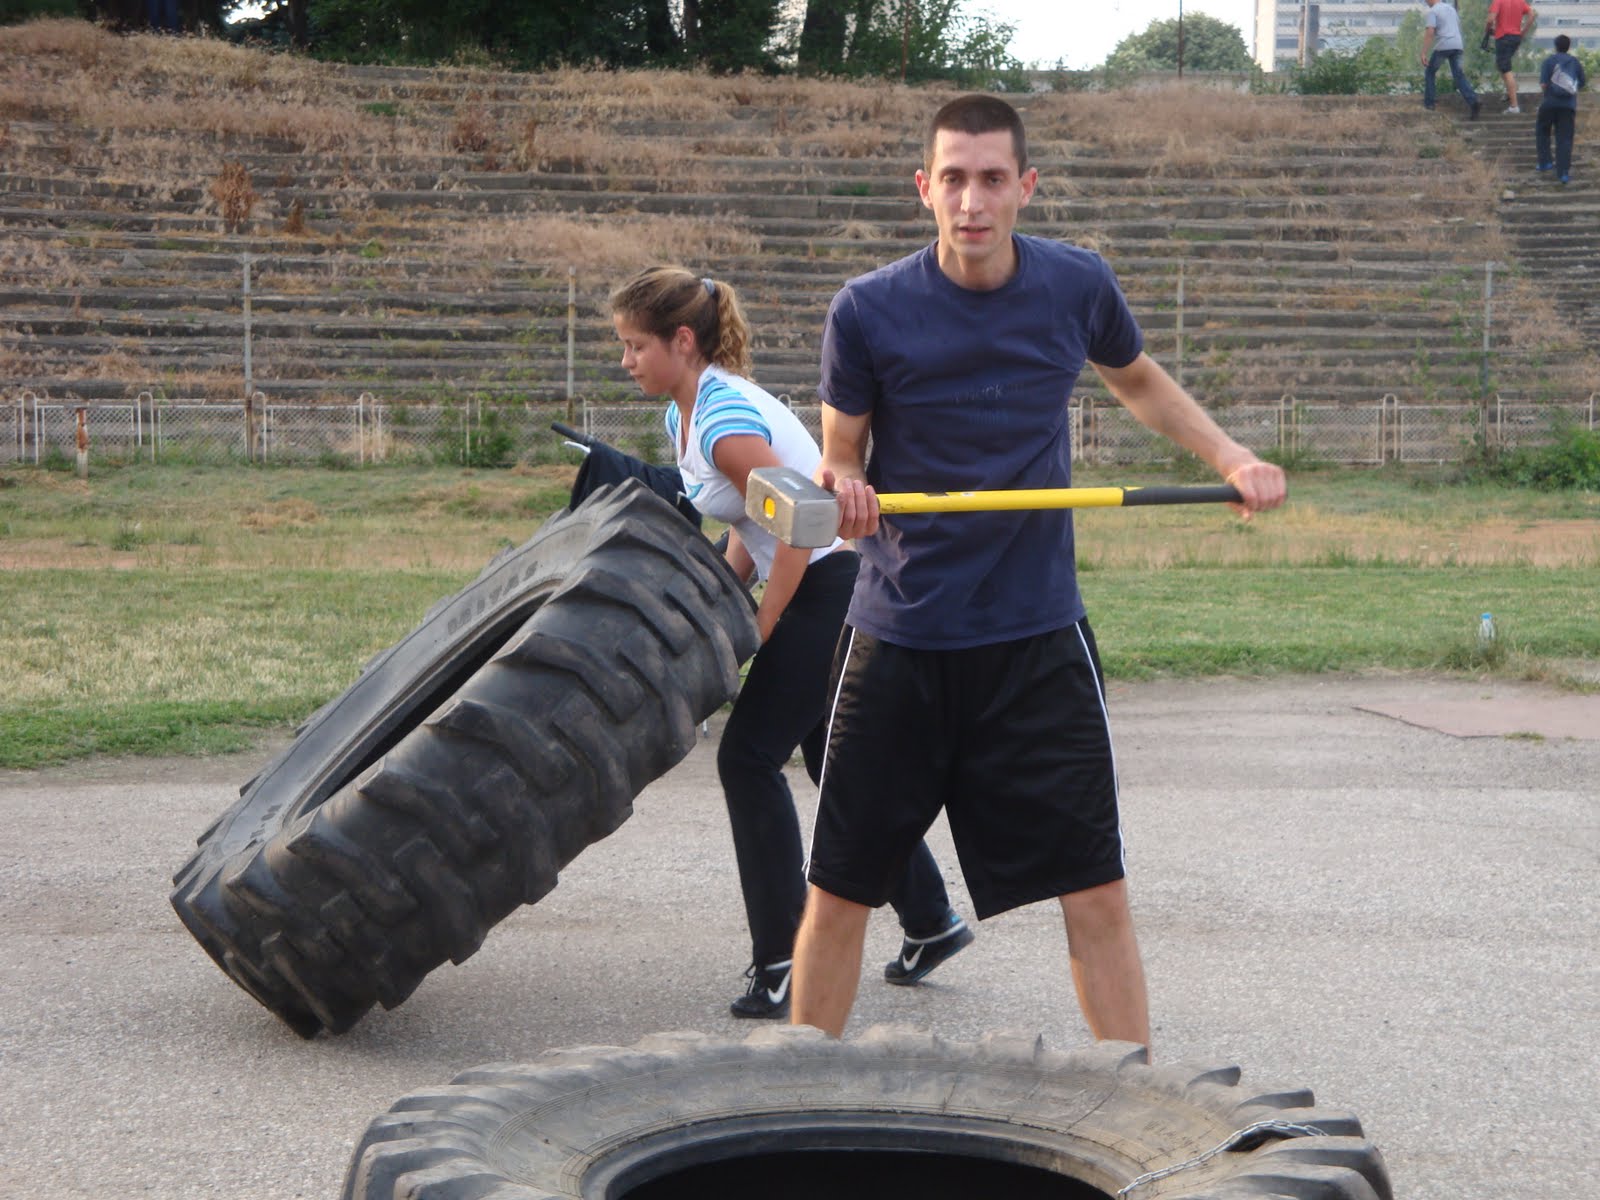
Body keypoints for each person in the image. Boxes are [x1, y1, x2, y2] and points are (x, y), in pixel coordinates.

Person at [787, 95, 1287, 1045]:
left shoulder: (1075, 286)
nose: (971, 201)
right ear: (923, 188)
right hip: (901, 635)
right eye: (953, 179)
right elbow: (841, 452)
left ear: (1026, 187)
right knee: (839, 893)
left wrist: (1230, 459)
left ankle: (1138, 1126)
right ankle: (793, 1113)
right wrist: (844, 486)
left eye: (991, 179)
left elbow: (1137, 377)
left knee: (1096, 893)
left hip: (1034, 640)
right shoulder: (868, 309)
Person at [608, 266, 973, 1020]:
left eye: (636, 346)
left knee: (748, 760)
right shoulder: (689, 415)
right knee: (831, 761)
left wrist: (760, 629)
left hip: (831, 586)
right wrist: (722, 596)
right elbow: (751, 526)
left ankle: (780, 963)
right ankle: (931, 921)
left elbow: (800, 524)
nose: (626, 361)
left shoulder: (722, 421)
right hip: (809, 580)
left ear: (682, 342)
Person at [1535, 34, 1588, 183]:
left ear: (1555, 46)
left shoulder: (1548, 61)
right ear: (1568, 46)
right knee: (1564, 138)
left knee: (1542, 131)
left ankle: (1545, 162)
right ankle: (1563, 173)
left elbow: (1544, 84)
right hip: (1568, 106)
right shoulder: (1575, 62)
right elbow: (1582, 82)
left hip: (1549, 104)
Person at [1422, 0, 1482, 120]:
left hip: (1444, 45)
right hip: (1458, 45)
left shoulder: (1433, 11)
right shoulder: (1451, 9)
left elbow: (1430, 32)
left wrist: (1423, 52)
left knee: (1430, 72)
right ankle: (1473, 101)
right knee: (1459, 76)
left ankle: (1429, 103)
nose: (1425, 2)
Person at [1486, 0, 1538, 113]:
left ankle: (1514, 106)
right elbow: (1532, 14)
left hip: (1503, 37)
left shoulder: (1498, 1)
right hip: (1515, 38)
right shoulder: (1520, 1)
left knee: (1505, 68)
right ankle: (1511, 88)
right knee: (1501, 65)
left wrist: (1488, 29)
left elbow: (1490, 19)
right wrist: (1523, 31)